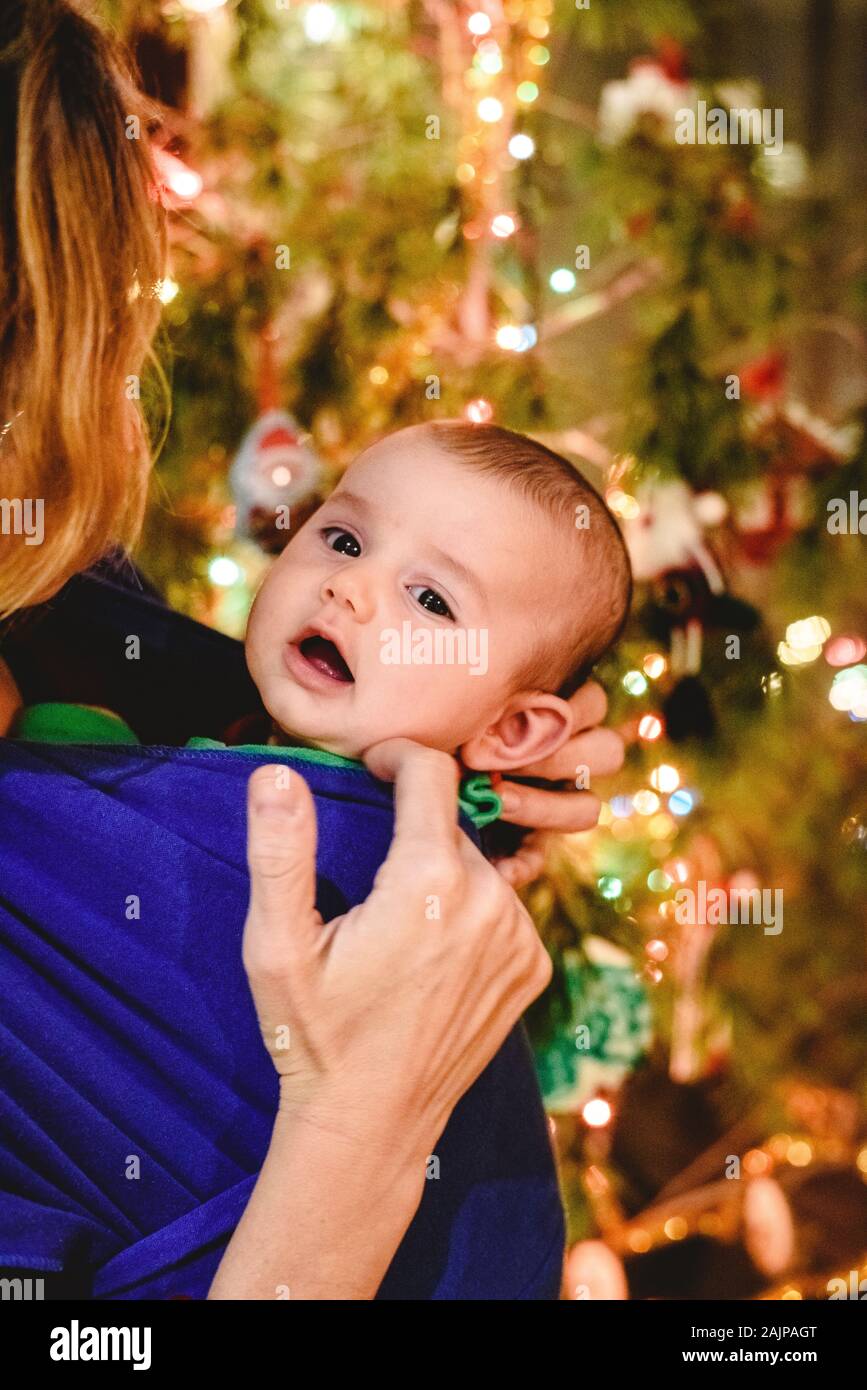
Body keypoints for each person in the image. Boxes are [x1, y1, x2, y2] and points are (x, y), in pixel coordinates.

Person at [0, 0, 624, 1298]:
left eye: (434, 600)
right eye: (340, 540)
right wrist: (355, 1140)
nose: (352, 595)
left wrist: (462, 780)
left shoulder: (92, 632)